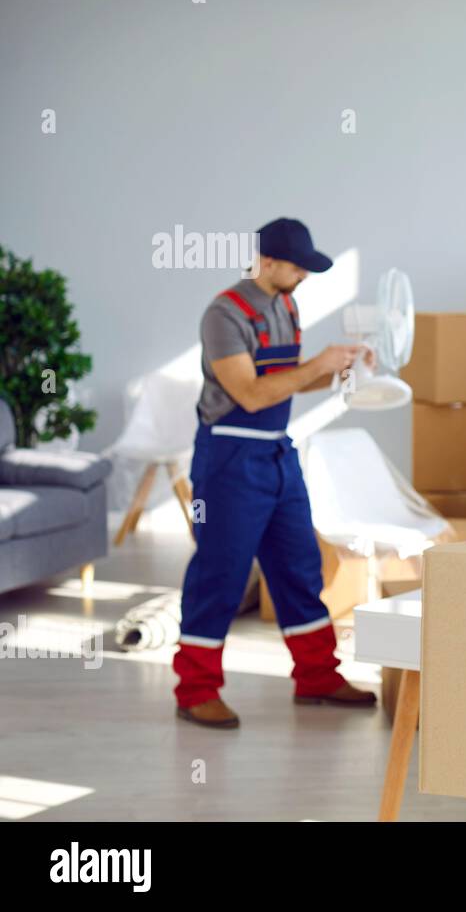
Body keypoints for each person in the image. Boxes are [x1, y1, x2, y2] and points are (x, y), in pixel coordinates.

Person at [173, 217, 377, 728]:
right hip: (229, 459)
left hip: (277, 455)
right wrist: (318, 363)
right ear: (267, 261)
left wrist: (337, 370)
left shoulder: (286, 303)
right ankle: (195, 689)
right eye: (297, 266)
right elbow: (250, 392)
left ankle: (317, 677)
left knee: (299, 567)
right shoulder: (223, 315)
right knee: (221, 573)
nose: (305, 275)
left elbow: (284, 383)